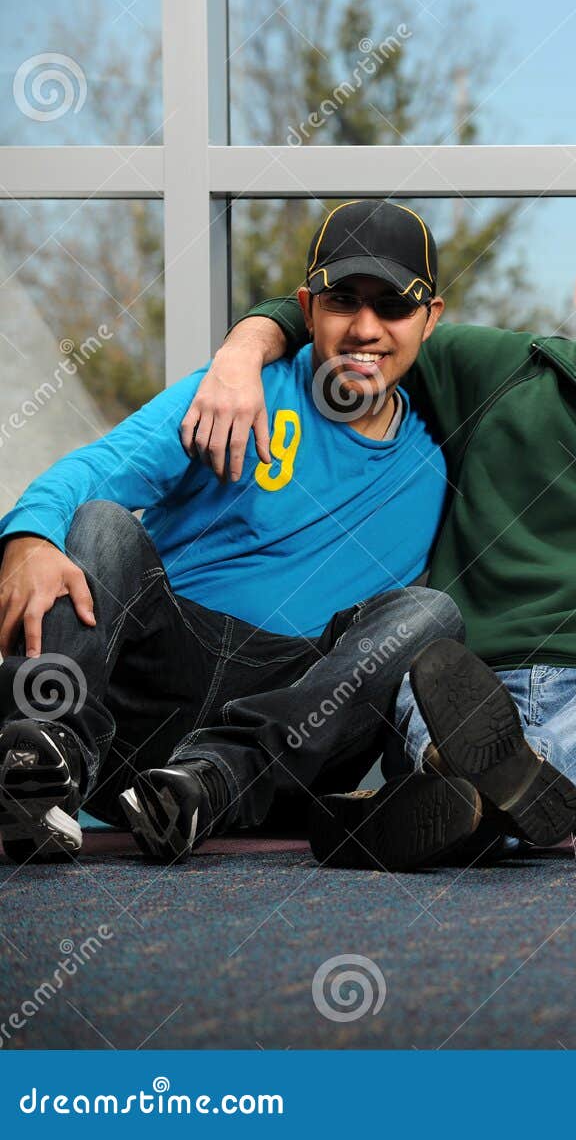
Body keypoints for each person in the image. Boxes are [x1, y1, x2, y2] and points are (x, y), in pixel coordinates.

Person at [193, 205, 576, 861]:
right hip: (466, 685)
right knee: (411, 671)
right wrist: (238, 354)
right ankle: (504, 804)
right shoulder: (493, 369)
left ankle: (464, 803)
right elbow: (350, 321)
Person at [0, 199, 468, 867]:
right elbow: (95, 469)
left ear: (431, 319)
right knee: (96, 522)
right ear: (307, 310)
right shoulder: (234, 393)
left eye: (393, 305)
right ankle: (40, 767)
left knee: (431, 613)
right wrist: (28, 539)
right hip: (155, 681)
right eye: (343, 301)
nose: (366, 327)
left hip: (286, 727)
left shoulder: (436, 457)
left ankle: (207, 783)